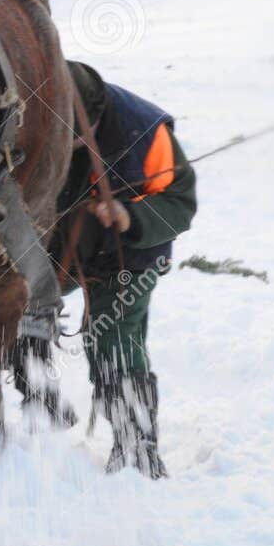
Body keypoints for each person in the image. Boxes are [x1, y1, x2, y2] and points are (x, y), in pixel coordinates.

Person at [57, 62, 197, 479]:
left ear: (95, 117)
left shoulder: (147, 133)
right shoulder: (24, 114)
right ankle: (36, 411)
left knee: (114, 334)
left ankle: (137, 450)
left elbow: (179, 204)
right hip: (53, 244)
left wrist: (129, 217)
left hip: (128, 254)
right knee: (9, 309)